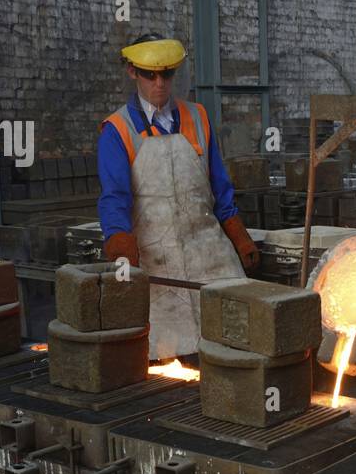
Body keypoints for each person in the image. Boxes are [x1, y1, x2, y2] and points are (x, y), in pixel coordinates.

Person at [97, 32, 259, 358]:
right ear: (133, 72)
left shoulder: (197, 117)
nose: (159, 83)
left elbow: (220, 188)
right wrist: (119, 242)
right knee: (169, 360)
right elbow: (115, 196)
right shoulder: (117, 130)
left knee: (240, 343)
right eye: (149, 75)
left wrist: (239, 236)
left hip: (210, 255)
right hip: (158, 264)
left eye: (167, 74)